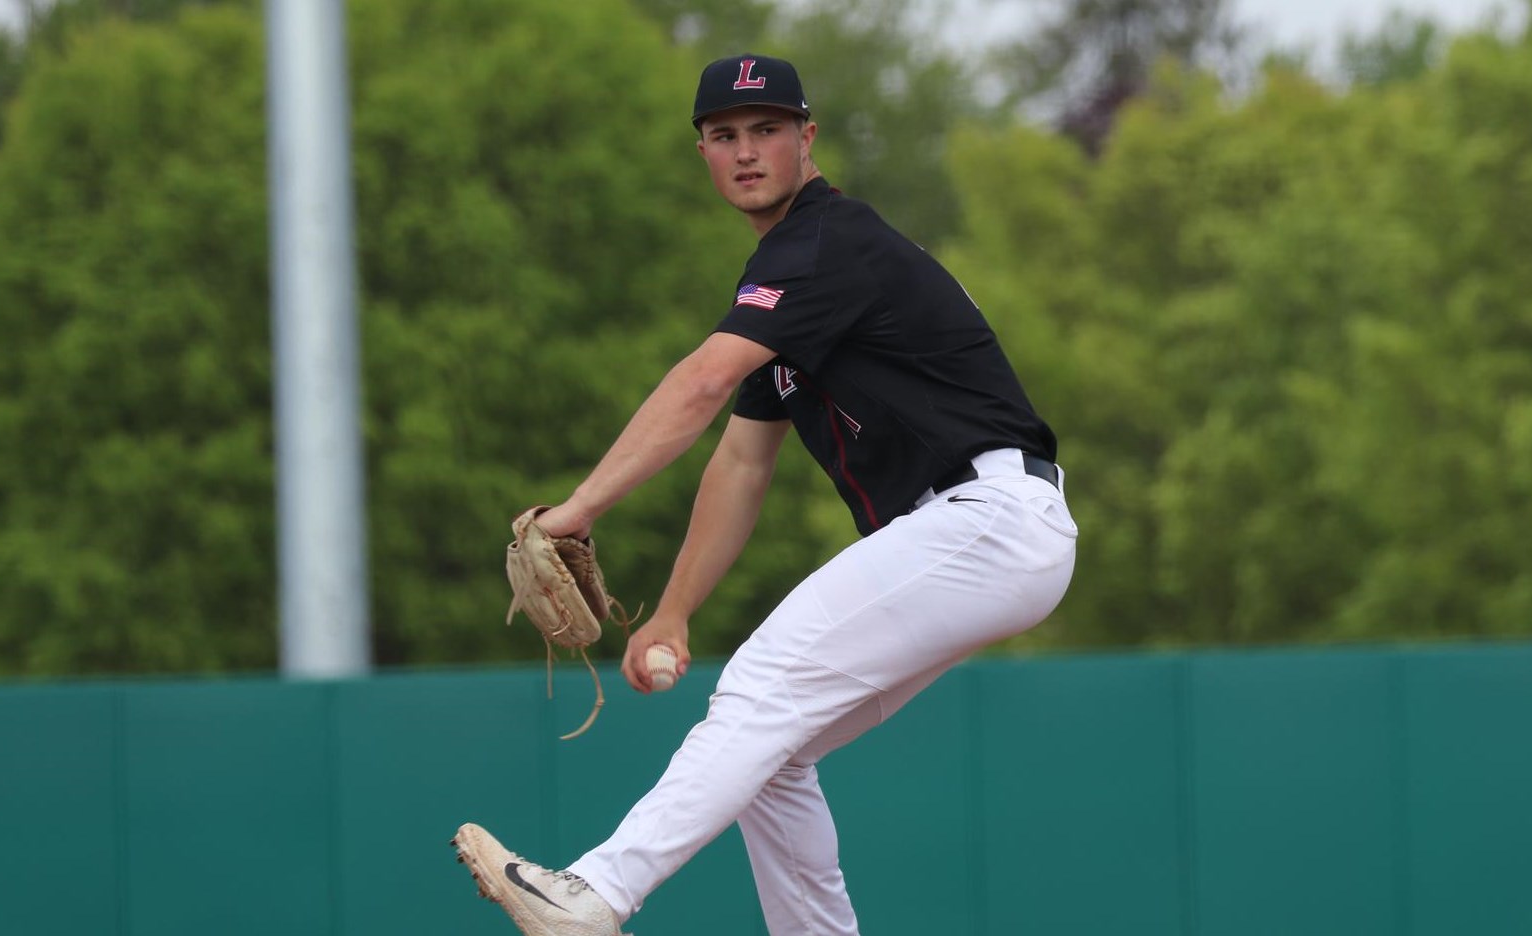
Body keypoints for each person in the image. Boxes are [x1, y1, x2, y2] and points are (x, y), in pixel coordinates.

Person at [452, 53, 1078, 936]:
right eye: (724, 134)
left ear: (806, 138)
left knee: (757, 692)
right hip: (975, 534)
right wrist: (673, 613)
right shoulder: (786, 282)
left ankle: (596, 892)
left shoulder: (824, 245)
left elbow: (702, 383)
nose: (746, 150)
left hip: (986, 517)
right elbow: (740, 464)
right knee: (771, 752)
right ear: (703, 152)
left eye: (767, 129)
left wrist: (577, 511)